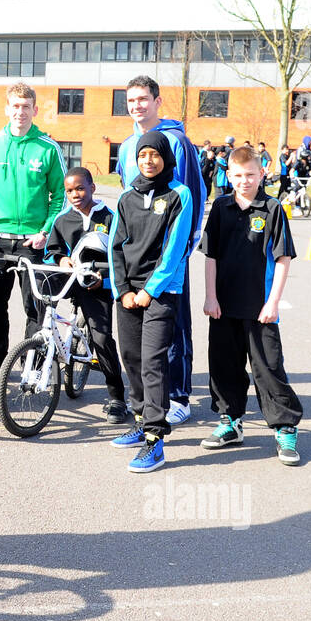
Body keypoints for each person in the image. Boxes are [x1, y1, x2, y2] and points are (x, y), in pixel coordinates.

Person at [201, 146, 303, 464]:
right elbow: (211, 256)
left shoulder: (272, 209)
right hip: (223, 306)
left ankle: (285, 428)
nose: (244, 181)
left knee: (268, 368)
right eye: (238, 175)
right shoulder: (220, 207)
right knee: (224, 367)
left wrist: (273, 302)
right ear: (228, 175)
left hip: (261, 308)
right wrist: (210, 296)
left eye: (250, 175)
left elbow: (283, 258)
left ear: (262, 174)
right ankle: (230, 423)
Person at [115, 76, 207, 426]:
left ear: (157, 101)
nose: (137, 106)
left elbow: (192, 198)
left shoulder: (178, 142)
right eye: (131, 100)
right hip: (138, 254)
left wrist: (185, 249)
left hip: (170, 256)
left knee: (175, 328)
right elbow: (129, 197)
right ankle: (149, 402)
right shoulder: (126, 147)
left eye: (143, 99)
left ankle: (180, 394)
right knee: (140, 338)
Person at [107, 131, 195, 473]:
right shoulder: (127, 197)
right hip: (128, 291)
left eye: (154, 155)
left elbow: (175, 248)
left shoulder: (179, 194)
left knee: (153, 362)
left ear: (164, 158)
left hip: (161, 292)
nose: (148, 160)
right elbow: (116, 245)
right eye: (142, 155)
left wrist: (150, 289)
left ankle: (155, 441)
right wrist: (123, 289)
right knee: (132, 357)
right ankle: (141, 419)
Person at [0, 82, 66, 370]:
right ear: (7, 109)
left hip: (32, 243)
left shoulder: (48, 148)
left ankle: (32, 364)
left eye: (26, 107)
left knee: (34, 308)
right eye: (15, 106)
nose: (20, 112)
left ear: (35, 110)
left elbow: (59, 195)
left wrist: (45, 231)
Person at [45, 166, 129, 424]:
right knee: (43, 310)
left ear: (93, 187)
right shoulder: (62, 220)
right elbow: (52, 251)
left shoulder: (110, 218)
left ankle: (117, 397)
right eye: (70, 190)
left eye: (80, 188)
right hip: (70, 281)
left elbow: (121, 254)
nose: (75, 194)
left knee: (102, 338)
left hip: (98, 285)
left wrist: (104, 279)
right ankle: (41, 361)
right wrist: (61, 260)